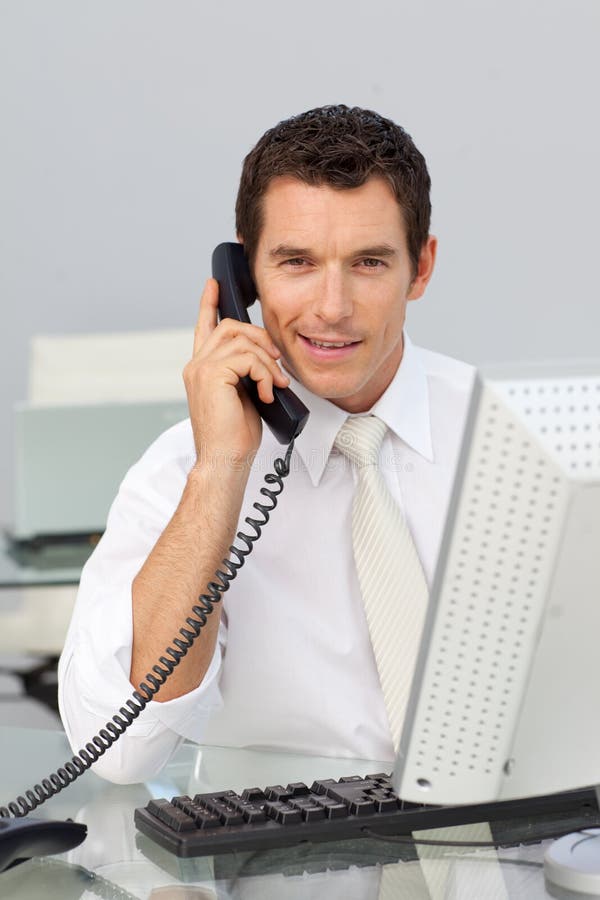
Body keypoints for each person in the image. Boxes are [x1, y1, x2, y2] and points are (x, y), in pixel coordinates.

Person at [58, 105, 474, 784]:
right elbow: (119, 755)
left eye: (369, 262)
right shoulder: (181, 471)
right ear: (244, 275)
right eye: (297, 263)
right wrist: (221, 469)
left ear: (420, 267)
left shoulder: (521, 440)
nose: (332, 306)